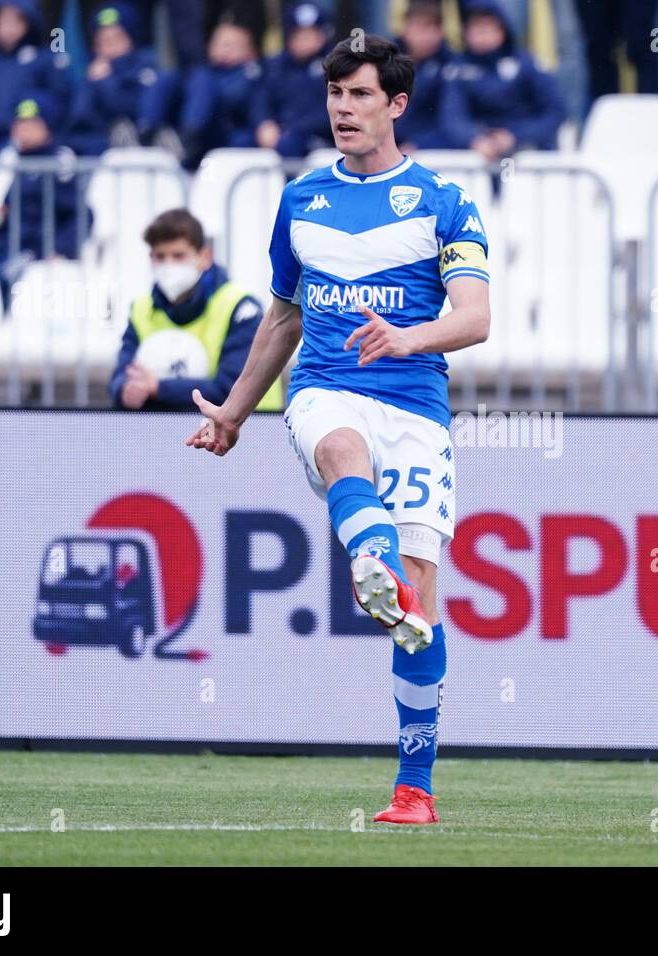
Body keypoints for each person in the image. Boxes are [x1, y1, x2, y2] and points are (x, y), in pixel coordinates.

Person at [185, 35, 491, 825]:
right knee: (337, 446)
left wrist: (409, 338)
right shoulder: (301, 199)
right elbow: (283, 317)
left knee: (419, 613)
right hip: (324, 385)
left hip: (416, 406)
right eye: (334, 95)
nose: (343, 109)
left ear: (397, 104)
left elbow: (476, 316)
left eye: (359, 95)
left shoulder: (443, 202)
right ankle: (370, 553)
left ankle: (414, 790)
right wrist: (234, 410)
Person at [109, 207, 278, 412]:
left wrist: (158, 388)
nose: (168, 265)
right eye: (160, 257)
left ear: (204, 257)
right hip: (167, 431)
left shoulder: (241, 309)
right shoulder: (141, 309)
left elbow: (231, 390)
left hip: (255, 431)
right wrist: (125, 391)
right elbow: (120, 377)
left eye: (178, 256)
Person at [0, 93, 90, 293]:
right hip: (7, 246)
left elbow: (81, 213)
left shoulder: (59, 161)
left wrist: (60, 249)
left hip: (42, 250)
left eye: (32, 124)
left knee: (10, 274)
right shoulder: (7, 159)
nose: (24, 130)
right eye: (20, 124)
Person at [441, 0, 567, 160]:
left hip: (527, 154)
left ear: (502, 30)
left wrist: (516, 136)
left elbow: (555, 112)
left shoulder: (527, 64)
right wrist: (473, 139)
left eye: (487, 28)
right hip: (477, 156)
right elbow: (451, 117)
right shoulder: (456, 70)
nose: (482, 35)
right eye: (475, 28)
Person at [0, 0, 73, 154]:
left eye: (15, 21)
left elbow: (59, 102)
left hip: (18, 142)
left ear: (29, 22)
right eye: (2, 21)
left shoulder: (44, 60)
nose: (7, 28)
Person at [64, 3, 176, 155]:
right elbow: (80, 118)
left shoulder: (146, 66)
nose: (112, 45)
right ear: (97, 48)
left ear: (130, 39)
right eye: (105, 40)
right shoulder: (92, 77)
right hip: (103, 148)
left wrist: (106, 82)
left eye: (117, 37)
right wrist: (91, 83)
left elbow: (134, 107)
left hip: (145, 144)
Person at [176, 19, 263, 168]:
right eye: (217, 43)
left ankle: (187, 140)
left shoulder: (252, 72)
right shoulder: (203, 73)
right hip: (206, 134)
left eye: (229, 45)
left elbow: (236, 97)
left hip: (235, 135)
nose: (222, 49)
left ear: (248, 51)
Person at [253, 2, 335, 159]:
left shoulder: (335, 66)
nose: (305, 42)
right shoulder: (274, 67)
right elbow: (260, 101)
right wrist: (264, 123)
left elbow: (333, 111)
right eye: (299, 35)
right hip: (278, 135)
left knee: (290, 143)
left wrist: (293, 127)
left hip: (320, 137)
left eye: (311, 35)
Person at [393, 0, 455, 152]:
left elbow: (450, 120)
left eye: (430, 28)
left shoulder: (451, 65)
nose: (424, 36)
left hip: (431, 152)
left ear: (441, 31)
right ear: (405, 28)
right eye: (418, 27)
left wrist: (420, 144)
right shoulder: (386, 60)